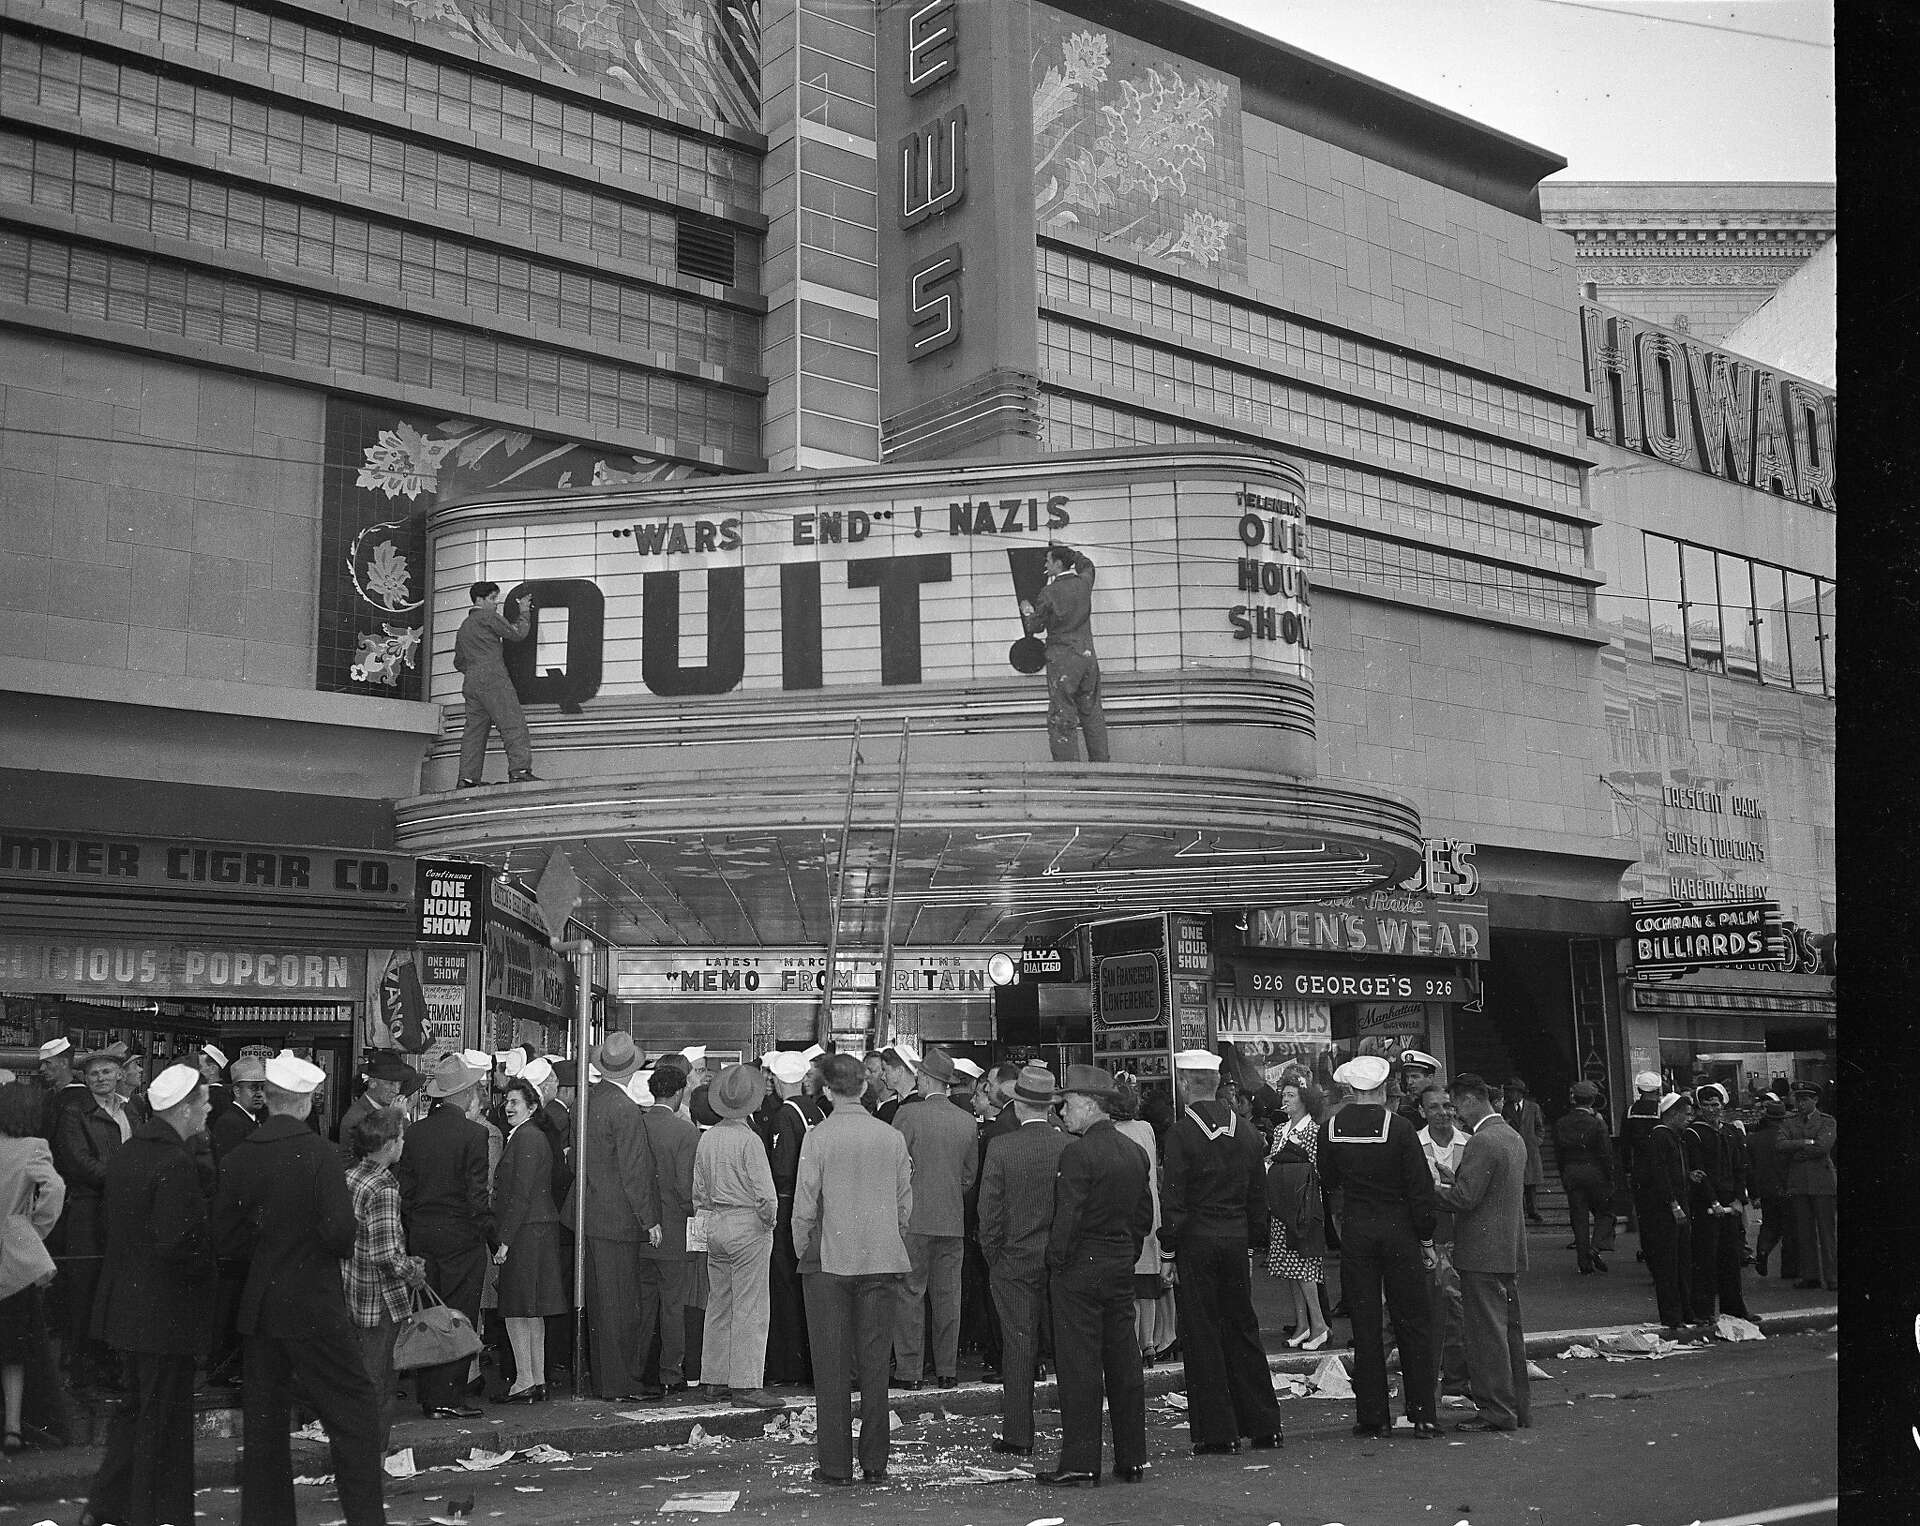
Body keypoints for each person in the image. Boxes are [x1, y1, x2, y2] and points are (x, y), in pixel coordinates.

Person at [213, 1052, 388, 1526]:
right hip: (314, 1304)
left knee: (265, 1427)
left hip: (262, 1308)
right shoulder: (321, 1155)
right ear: (309, 1101)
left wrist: (268, 1238)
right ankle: (366, 1517)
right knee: (353, 1412)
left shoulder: (239, 1157)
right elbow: (339, 1233)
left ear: (267, 1098)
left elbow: (225, 1239)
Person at [80, 1065, 214, 1526]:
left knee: (138, 1414)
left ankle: (106, 1508)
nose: (209, 1109)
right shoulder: (174, 1162)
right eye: (204, 1102)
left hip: (128, 1307)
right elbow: (179, 1243)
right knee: (162, 1421)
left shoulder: (131, 1151)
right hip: (165, 1313)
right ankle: (150, 1512)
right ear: (185, 1109)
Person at [792, 1053, 913, 1486]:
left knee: (831, 1368)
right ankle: (875, 1462)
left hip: (830, 1261)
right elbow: (904, 1205)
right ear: (864, 1087)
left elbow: (804, 1205)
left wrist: (801, 1247)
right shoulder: (890, 1137)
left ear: (826, 1090)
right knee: (877, 1366)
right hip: (881, 1259)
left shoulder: (818, 1137)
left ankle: (836, 1465)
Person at [1161, 1050, 1283, 1457]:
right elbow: (1257, 1196)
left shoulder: (1180, 1133)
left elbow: (1173, 1198)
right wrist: (1253, 1240)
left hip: (1197, 1240)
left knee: (1203, 1334)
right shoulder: (1247, 1133)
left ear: (1184, 1084)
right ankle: (1265, 1425)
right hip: (1235, 1239)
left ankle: (1218, 1431)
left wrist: (1167, 1249)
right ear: (1216, 1083)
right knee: (1243, 1329)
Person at [1316, 1053, 1441, 1441]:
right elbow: (1419, 1188)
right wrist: (1426, 1238)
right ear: (1384, 1088)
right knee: (1412, 1321)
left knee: (1365, 1325)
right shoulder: (1400, 1127)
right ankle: (1422, 1414)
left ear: (1351, 1089)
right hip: (1399, 1228)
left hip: (1357, 1228)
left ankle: (1373, 1417)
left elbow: (1328, 1178)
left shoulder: (1331, 1127)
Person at [1038, 1064, 1152, 1488]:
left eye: (1066, 1104)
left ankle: (1082, 1461)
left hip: (1080, 1268)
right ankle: (1132, 1458)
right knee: (1123, 1361)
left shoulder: (1078, 1153)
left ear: (1088, 1104)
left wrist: (1057, 1261)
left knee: (1079, 1365)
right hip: (1120, 1261)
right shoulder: (1133, 1151)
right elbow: (1144, 1215)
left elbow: (1067, 1218)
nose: (1062, 1113)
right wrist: (1127, 1251)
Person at [393, 1052, 494, 1419]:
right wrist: (492, 1237)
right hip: (461, 1238)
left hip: (422, 1235)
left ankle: (430, 1395)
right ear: (466, 1095)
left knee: (427, 1313)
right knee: (457, 1316)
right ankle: (449, 1398)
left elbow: (407, 1191)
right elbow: (476, 1196)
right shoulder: (475, 1134)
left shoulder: (415, 1133)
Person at [562, 1033, 663, 1400]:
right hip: (618, 1220)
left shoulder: (587, 1102)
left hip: (589, 1214)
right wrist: (649, 1219)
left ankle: (606, 1380)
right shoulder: (625, 1111)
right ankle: (620, 1383)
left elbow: (575, 1159)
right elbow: (634, 1172)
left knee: (602, 1303)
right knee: (621, 1306)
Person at [977, 1064, 1068, 1458]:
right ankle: (1077, 1429)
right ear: (1049, 1107)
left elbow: (989, 1213)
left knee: (1018, 1346)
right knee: (1067, 1346)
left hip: (1013, 1261)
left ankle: (1018, 1434)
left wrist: (995, 1257)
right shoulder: (1069, 1145)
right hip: (1060, 1262)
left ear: (1015, 1105)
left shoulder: (1002, 1147)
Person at [1431, 1074, 1530, 1434]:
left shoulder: (1482, 1141)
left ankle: (1496, 1410)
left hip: (1481, 1254)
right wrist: (1453, 1179)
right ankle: (1517, 1407)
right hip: (1507, 1249)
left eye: (1456, 1106)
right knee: (1508, 1334)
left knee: (1485, 1336)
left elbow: (1465, 1199)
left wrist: (1433, 1188)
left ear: (1471, 1099)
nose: (1455, 1115)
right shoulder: (1510, 1136)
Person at [693, 1064, 781, 1408]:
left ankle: (714, 1378)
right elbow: (766, 1196)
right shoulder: (750, 1140)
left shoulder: (708, 1138)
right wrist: (768, 1223)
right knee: (751, 1305)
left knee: (719, 1302)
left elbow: (698, 1191)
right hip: (747, 1225)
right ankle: (746, 1384)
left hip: (715, 1222)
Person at [890, 1045, 978, 1390]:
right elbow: (969, 1174)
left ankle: (910, 1372)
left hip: (913, 1221)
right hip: (951, 1221)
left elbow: (895, 1168)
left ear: (925, 1079)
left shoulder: (908, 1116)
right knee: (947, 1297)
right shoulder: (967, 1120)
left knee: (909, 1295)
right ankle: (947, 1370)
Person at [343, 1107, 427, 1458]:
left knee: (359, 1382)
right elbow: (387, 1256)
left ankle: (353, 1457)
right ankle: (369, 1463)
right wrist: (414, 1271)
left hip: (352, 1292)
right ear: (390, 1145)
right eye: (402, 1138)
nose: (404, 1143)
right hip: (381, 1301)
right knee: (379, 1387)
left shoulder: (350, 1177)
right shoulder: (384, 1187)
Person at [52, 1049, 132, 1392]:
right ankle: (84, 1370)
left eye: (106, 1072)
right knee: (86, 1290)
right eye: (94, 1073)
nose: (100, 1078)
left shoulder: (132, 1109)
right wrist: (125, 1180)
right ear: (85, 1079)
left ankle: (110, 1367)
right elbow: (77, 1160)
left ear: (119, 1075)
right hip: (89, 1208)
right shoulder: (75, 1112)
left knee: (115, 1290)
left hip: (123, 1210)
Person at [1, 1082, 67, 1456]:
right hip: (14, 1258)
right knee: (14, 1348)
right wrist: (33, 1230)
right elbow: (54, 1189)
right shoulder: (33, 1148)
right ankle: (12, 1427)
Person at [493, 1076, 566, 1401]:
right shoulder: (531, 1136)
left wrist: (504, 1241)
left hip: (525, 1232)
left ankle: (525, 1380)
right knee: (531, 1309)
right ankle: (534, 1378)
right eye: (506, 1101)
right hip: (537, 1229)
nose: (507, 1107)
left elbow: (520, 1195)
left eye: (515, 1102)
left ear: (532, 1106)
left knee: (517, 1308)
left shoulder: (525, 1138)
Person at [634, 1063, 698, 1400]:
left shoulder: (638, 1124)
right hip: (674, 1232)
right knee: (673, 1306)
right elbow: (686, 1187)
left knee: (643, 1306)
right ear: (678, 1092)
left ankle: (638, 1369)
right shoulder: (685, 1132)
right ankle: (671, 1373)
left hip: (640, 1230)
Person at [1018, 542, 1110, 763]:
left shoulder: (1049, 592)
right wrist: (1072, 552)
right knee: (1092, 713)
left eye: (1048, 560)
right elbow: (1088, 566)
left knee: (1062, 715)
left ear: (1058, 564)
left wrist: (1028, 612)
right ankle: (1102, 768)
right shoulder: (1084, 582)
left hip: (1062, 661)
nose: (1046, 564)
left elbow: (1035, 626)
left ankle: (1069, 772)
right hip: (1087, 657)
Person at [762, 1051, 820, 1388]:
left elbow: (782, 1168)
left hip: (788, 1207)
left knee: (783, 1286)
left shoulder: (785, 1115)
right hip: (812, 1206)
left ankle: (787, 1365)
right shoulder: (815, 1109)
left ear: (780, 1079)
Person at [1110, 1074, 1175, 1366]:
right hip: (1152, 1216)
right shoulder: (1146, 1129)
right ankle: (1148, 1343)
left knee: (1129, 1289)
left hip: (1126, 1217)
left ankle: (1134, 1348)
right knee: (1148, 1286)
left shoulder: (1110, 1135)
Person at [1414, 1085, 1471, 1409]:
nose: (1443, 1112)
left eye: (1448, 1106)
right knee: (1433, 1313)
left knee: (1459, 1315)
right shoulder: (1414, 1144)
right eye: (1434, 1107)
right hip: (1430, 1239)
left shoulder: (1471, 1143)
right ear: (1422, 1112)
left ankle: (1456, 1382)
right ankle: (1435, 1383)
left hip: (1463, 1238)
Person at [1265, 1078, 1331, 1351]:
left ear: (1305, 1099)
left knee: (1304, 1267)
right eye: (1284, 1095)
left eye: (1291, 1096)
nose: (1286, 1100)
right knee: (1288, 1268)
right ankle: (1302, 1324)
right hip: (1282, 1206)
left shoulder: (1314, 1131)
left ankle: (1319, 1325)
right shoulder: (1280, 1130)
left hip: (1304, 1208)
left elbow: (1317, 1169)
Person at [454, 579, 537, 786]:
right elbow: (517, 633)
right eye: (492, 598)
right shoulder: (487, 617)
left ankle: (467, 778)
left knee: (474, 731)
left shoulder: (464, 627)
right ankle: (519, 770)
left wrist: (475, 670)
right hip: (493, 678)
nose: (496, 603)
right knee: (512, 723)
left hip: (471, 682)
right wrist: (524, 612)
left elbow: (458, 661)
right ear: (480, 600)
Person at [1684, 1083, 1752, 1321]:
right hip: (1706, 1204)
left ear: (1723, 1105)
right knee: (1705, 1259)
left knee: (1731, 1258)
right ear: (1699, 1108)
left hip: (1730, 1202)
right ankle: (1703, 1311)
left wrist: (1738, 1199)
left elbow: (1740, 1167)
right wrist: (1712, 1201)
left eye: (1716, 1105)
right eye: (1706, 1106)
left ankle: (1734, 1309)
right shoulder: (1694, 1133)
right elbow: (1698, 1169)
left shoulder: (1731, 1132)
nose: (1712, 1110)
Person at [1642, 1091, 1699, 1330]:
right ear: (1672, 1115)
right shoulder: (1660, 1137)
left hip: (1680, 1203)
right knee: (1669, 1263)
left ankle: (1686, 1311)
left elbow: (1675, 1171)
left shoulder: (1676, 1137)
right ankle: (1672, 1314)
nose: (1689, 1119)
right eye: (1685, 1115)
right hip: (1667, 1209)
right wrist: (1673, 1203)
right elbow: (1660, 1173)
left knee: (1684, 1260)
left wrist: (1689, 1176)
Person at [1779, 1081, 1837, 1291]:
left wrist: (1798, 1151)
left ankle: (1833, 1277)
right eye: (1798, 1099)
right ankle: (1810, 1275)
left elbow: (1824, 1146)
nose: (1801, 1103)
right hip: (1799, 1183)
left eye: (1805, 1099)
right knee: (1804, 1232)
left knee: (1826, 1232)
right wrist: (1806, 1142)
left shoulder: (1827, 1121)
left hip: (1822, 1182)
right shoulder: (1789, 1121)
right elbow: (1780, 1144)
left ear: (1815, 1100)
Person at [1554, 1081, 1616, 1274]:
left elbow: (1558, 1154)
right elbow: (1605, 1152)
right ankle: (1595, 1247)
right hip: (1596, 1172)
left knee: (1579, 1217)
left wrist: (1564, 1174)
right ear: (1593, 1100)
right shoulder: (1597, 1122)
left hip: (1572, 1172)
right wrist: (1610, 1176)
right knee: (1605, 1213)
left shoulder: (1561, 1123)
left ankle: (1584, 1262)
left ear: (1574, 1099)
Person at [1746, 1096, 1799, 1280]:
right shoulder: (1788, 1137)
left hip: (1765, 1189)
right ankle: (1789, 1268)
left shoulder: (1753, 1140)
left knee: (1769, 1224)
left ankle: (1762, 1250)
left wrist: (1754, 1194)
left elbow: (1749, 1168)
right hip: (1786, 1187)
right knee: (1790, 1228)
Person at [336, 1051, 420, 1158]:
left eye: (399, 1083)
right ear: (372, 1083)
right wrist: (400, 1118)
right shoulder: (357, 1117)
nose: (396, 1089)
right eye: (390, 1083)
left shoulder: (384, 1108)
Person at [1620, 1070, 1664, 1248]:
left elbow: (1624, 1143)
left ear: (1639, 1088)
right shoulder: (1662, 1110)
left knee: (1643, 1210)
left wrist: (1627, 1169)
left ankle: (1646, 1246)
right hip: (1660, 1164)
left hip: (1639, 1166)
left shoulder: (1630, 1111)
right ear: (1658, 1090)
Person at [1500, 1079, 1547, 1225]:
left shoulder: (1533, 1108)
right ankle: (1519, 1212)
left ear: (1520, 1093)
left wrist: (1537, 1141)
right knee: (1515, 1181)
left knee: (1531, 1182)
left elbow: (1540, 1127)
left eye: (1513, 1091)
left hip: (1530, 1148)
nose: (1510, 1094)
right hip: (1513, 1148)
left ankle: (1533, 1211)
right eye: (1509, 1091)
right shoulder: (1505, 1108)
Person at [37, 1037, 81, 1139]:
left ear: (64, 1063)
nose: (42, 1069)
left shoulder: (81, 1097)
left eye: (47, 1063)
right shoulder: (49, 1095)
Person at [1395, 1050, 1442, 1127]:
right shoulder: (1403, 1107)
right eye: (1407, 1077)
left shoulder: (1444, 1104)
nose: (1409, 1082)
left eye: (1415, 1077)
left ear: (1430, 1078)